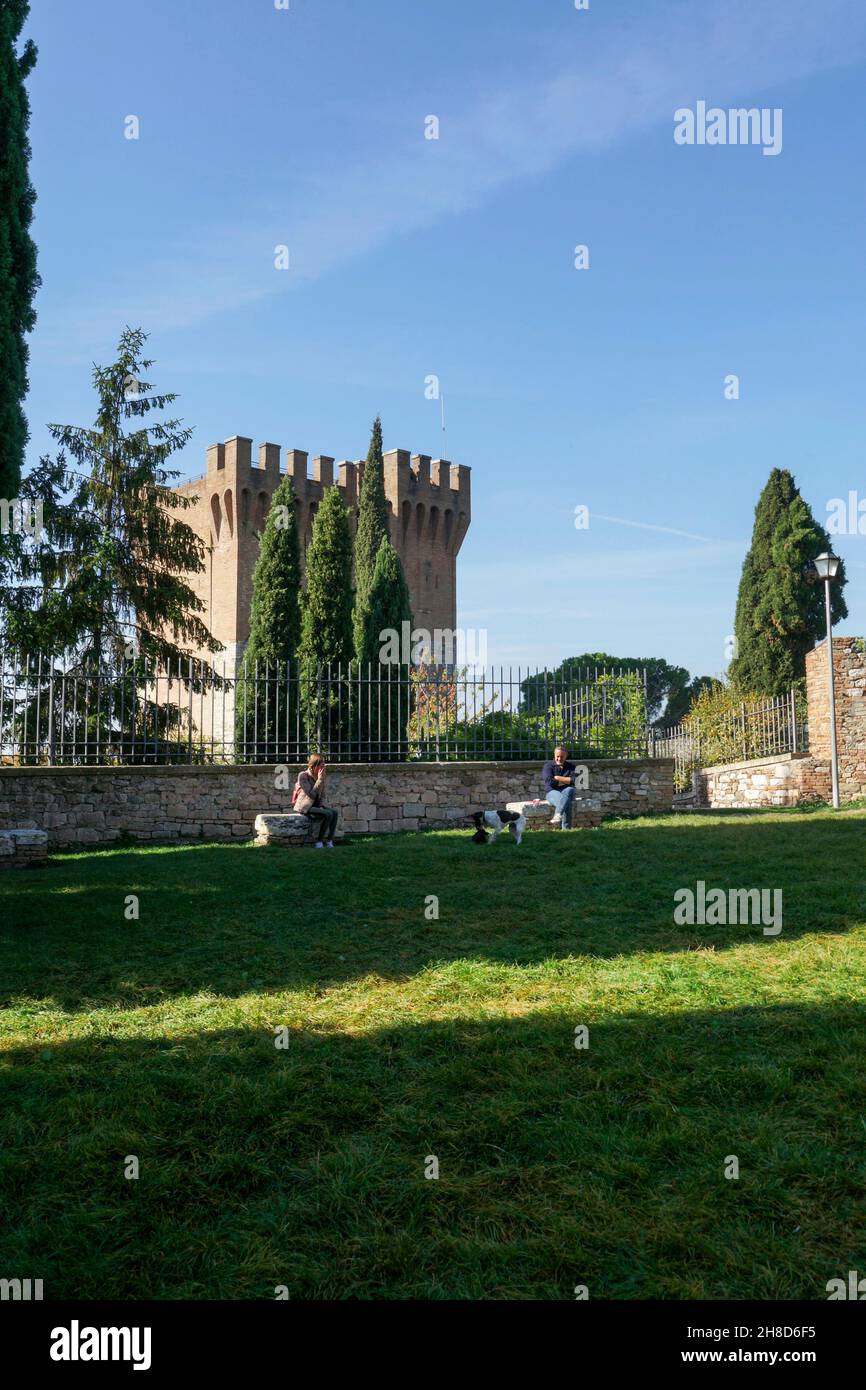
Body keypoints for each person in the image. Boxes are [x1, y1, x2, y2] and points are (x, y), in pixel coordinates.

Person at [293, 754, 339, 848]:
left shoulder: (320, 776)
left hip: (316, 805)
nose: (323, 767)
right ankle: (319, 841)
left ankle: (329, 841)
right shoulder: (303, 776)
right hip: (305, 807)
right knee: (328, 814)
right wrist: (319, 780)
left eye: (323, 765)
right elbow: (311, 795)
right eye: (321, 765)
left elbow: (322, 794)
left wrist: (321, 805)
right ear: (314, 765)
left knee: (334, 813)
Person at [542, 745, 578, 829]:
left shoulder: (571, 766)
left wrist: (558, 778)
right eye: (557, 756)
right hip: (552, 792)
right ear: (554, 755)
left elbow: (575, 781)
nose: (559, 758)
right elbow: (549, 781)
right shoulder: (548, 766)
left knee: (569, 789)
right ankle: (566, 828)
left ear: (566, 756)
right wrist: (567, 781)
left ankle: (557, 815)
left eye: (562, 756)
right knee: (566, 801)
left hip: (567, 791)